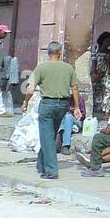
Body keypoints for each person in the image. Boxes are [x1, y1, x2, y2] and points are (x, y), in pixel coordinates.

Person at [30, 41, 82, 180]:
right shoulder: (69, 68)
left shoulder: (41, 68)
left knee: (47, 137)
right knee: (50, 135)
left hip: (47, 104)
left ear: (48, 53)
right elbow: (75, 89)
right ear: (60, 52)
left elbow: (30, 88)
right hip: (63, 105)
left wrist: (25, 102)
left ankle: (51, 170)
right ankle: (41, 165)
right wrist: (76, 107)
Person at [90, 32, 110, 116]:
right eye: (107, 41)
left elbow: (108, 64)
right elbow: (93, 62)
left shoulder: (109, 52)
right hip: (97, 73)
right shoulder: (95, 49)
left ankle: (106, 110)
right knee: (97, 91)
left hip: (106, 74)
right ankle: (96, 108)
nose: (108, 43)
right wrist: (94, 73)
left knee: (108, 90)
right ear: (102, 40)